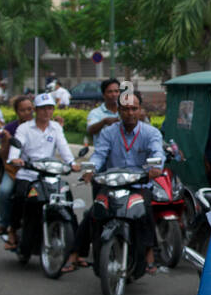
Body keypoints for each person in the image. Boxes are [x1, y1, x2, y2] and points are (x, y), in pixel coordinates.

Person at [63, 93, 164, 275]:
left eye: (134, 108)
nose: (130, 113)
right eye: (125, 109)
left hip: (138, 185)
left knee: (145, 210)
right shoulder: (108, 132)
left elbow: (157, 153)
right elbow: (99, 154)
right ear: (118, 111)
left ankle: (149, 253)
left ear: (140, 110)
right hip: (113, 183)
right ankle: (76, 252)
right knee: (94, 213)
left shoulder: (151, 133)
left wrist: (155, 167)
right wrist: (90, 170)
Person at [6, 93, 79, 249]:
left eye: (50, 108)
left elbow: (64, 147)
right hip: (28, 173)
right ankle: (13, 229)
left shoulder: (56, 128)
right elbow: (16, 146)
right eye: (43, 109)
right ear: (36, 110)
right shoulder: (24, 128)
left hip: (50, 174)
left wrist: (72, 163)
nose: (47, 112)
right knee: (19, 197)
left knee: (66, 198)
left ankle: (74, 246)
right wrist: (15, 158)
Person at [0, 94, 34, 238]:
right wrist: (7, 140)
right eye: (22, 110)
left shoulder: (41, 124)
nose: (27, 113)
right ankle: (4, 223)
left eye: (29, 109)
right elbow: (3, 155)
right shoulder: (10, 128)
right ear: (16, 112)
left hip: (36, 169)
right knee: (5, 192)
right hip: (15, 170)